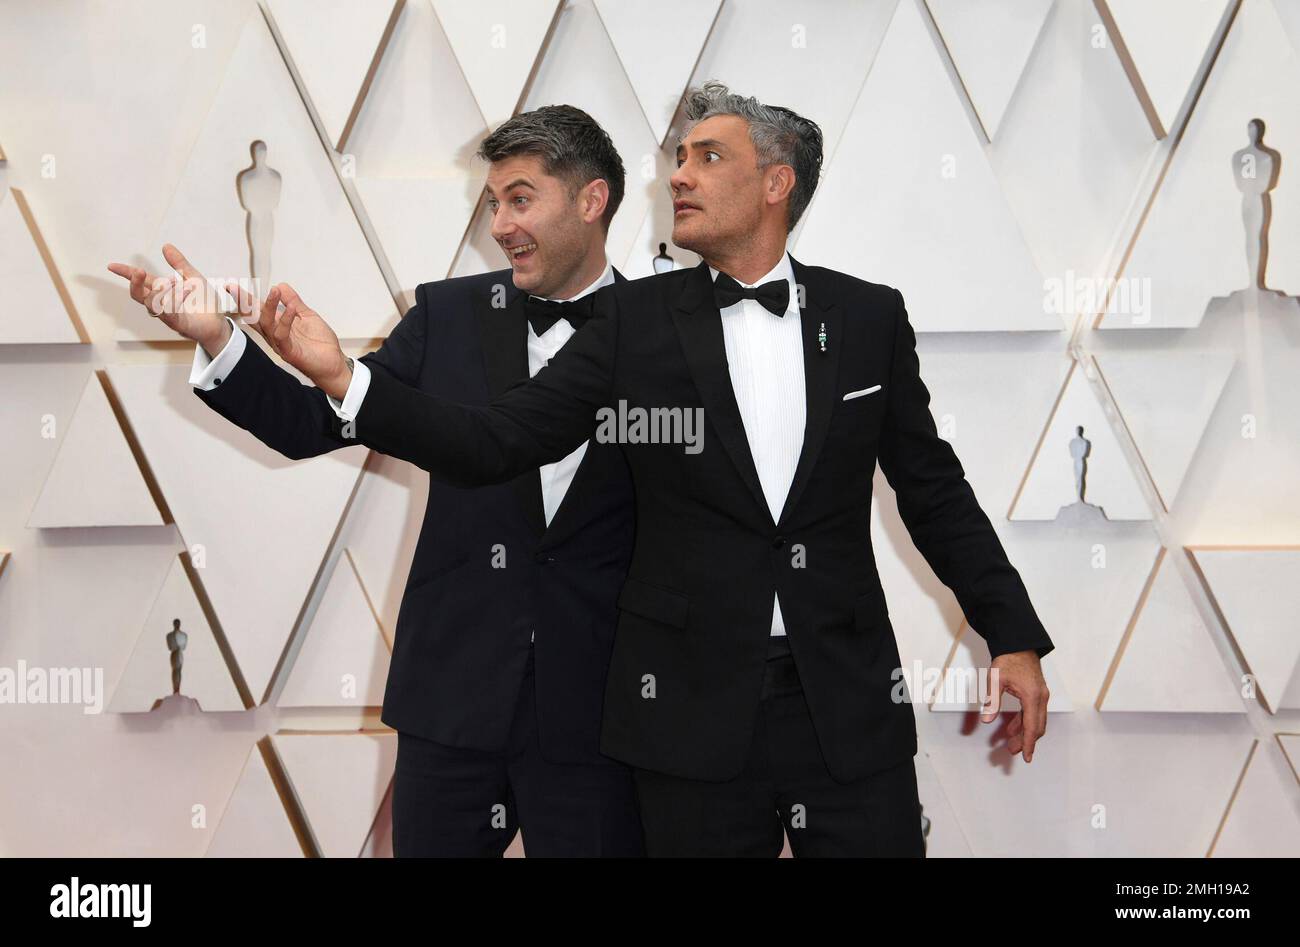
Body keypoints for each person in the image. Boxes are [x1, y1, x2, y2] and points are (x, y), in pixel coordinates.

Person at [254, 81, 1054, 858]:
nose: (679, 175)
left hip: (845, 707)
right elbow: (495, 440)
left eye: (709, 156)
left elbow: (933, 488)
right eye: (679, 157)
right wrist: (345, 378)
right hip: (689, 724)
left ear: (776, 183)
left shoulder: (868, 317)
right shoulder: (633, 322)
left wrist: (1011, 632)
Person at [109, 105, 645, 858]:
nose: (499, 224)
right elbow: (310, 425)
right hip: (452, 702)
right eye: (493, 202)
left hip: (605, 712)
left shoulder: (666, 333)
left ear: (592, 200)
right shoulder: (449, 315)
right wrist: (217, 337)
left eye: (520, 199)